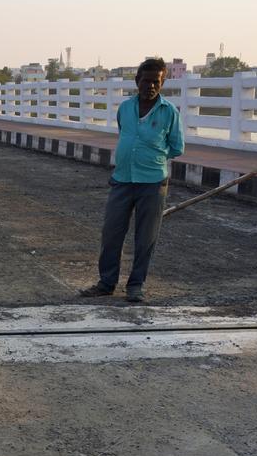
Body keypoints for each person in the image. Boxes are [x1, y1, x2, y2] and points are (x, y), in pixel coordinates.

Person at [79, 57, 185, 303]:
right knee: (111, 233)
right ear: (137, 81)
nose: (150, 86)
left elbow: (176, 147)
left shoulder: (169, 112)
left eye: (155, 82)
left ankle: (136, 285)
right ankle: (106, 283)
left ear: (162, 82)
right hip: (122, 180)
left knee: (145, 238)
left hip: (153, 183)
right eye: (145, 81)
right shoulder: (125, 108)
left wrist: (154, 157)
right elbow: (123, 134)